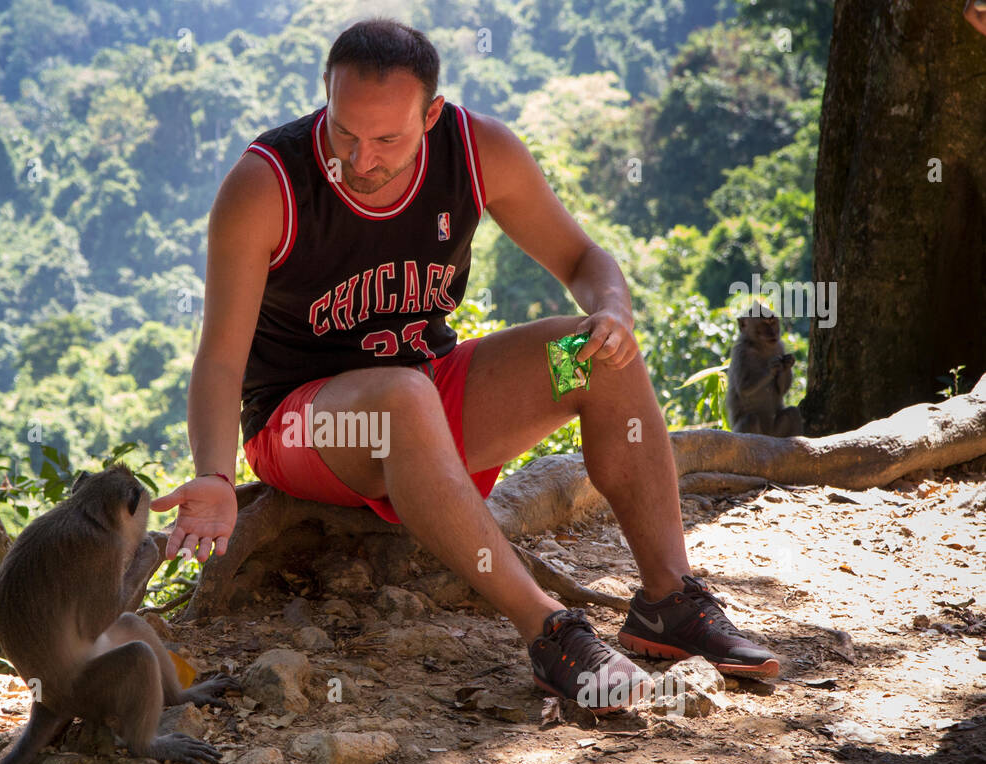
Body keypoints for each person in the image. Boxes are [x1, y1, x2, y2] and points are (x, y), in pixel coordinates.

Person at [152, 18, 779, 713]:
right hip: (302, 428)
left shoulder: (479, 152)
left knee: (592, 355)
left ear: (432, 115)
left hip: (427, 399)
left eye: (387, 139)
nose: (360, 159)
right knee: (401, 397)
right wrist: (213, 473)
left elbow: (584, 261)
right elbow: (219, 358)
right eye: (344, 132)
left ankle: (670, 600)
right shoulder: (266, 185)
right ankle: (550, 631)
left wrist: (613, 313)